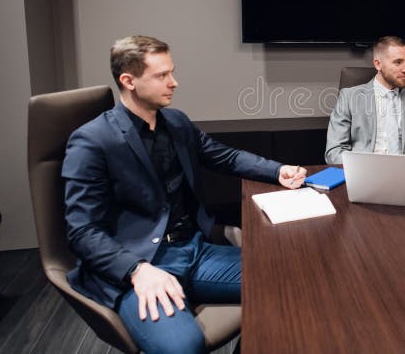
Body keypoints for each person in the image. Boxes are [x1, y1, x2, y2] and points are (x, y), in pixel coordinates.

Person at [62, 36, 307, 353]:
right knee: (183, 346)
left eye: (172, 72)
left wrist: (277, 170)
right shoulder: (92, 140)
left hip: (193, 250)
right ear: (129, 81)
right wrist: (137, 270)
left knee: (295, 283)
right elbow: (82, 231)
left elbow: (224, 156)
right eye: (161, 75)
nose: (174, 83)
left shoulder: (176, 123)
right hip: (138, 264)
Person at [325, 35, 405, 164]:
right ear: (378, 64)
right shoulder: (349, 98)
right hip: (363, 174)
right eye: (398, 62)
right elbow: (334, 152)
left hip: (404, 175)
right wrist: (363, 168)